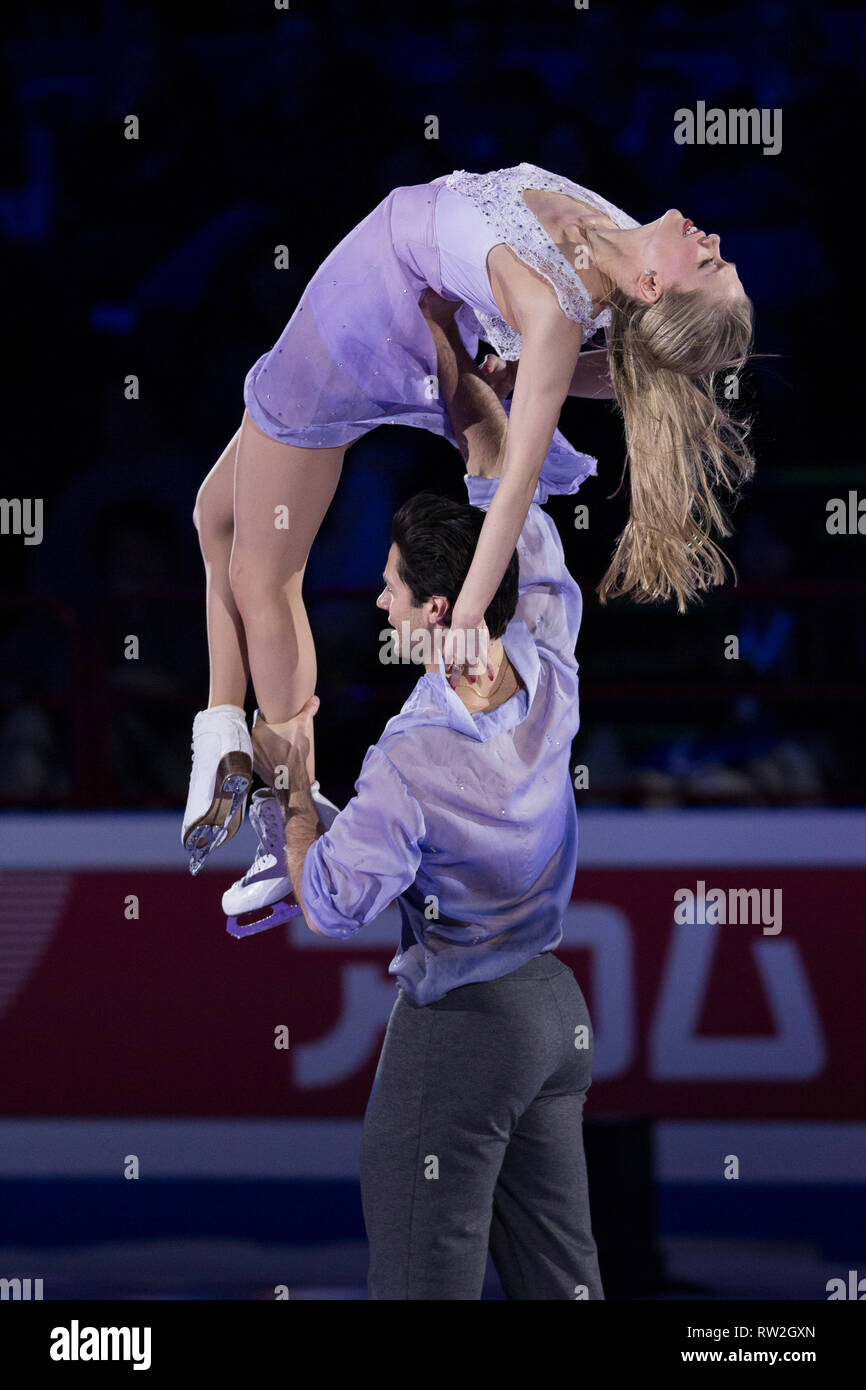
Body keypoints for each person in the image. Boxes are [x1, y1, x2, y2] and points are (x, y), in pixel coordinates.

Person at [183, 160, 755, 872]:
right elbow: (633, 359)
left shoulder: (555, 313)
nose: (714, 239)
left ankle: (289, 818)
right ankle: (223, 729)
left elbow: (517, 485)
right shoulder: (614, 240)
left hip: (359, 318)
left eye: (710, 264)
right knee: (216, 515)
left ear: (652, 287)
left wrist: (468, 617)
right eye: (719, 256)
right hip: (414, 309)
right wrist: (516, 375)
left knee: (263, 574)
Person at [248, 294, 603, 1300]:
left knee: (419, 1278)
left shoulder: (409, 758)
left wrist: (293, 791)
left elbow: (327, 904)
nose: (376, 599)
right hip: (550, 1015)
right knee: (563, 1284)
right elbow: (510, 495)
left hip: (463, 1030)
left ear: (435, 609)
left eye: (392, 587)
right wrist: (454, 373)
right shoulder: (546, 647)